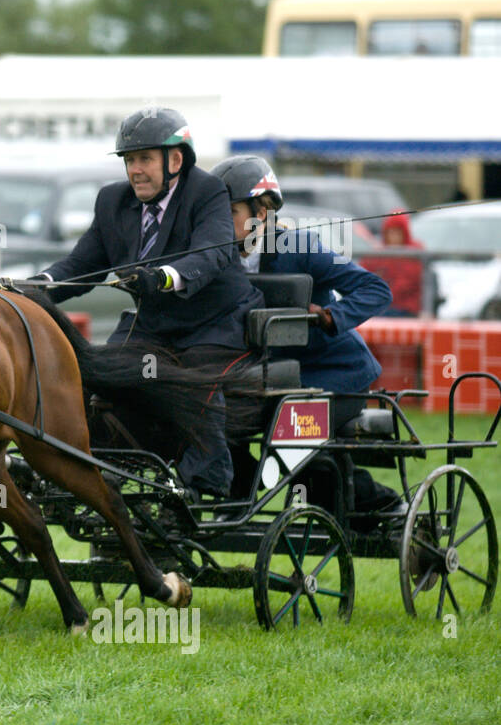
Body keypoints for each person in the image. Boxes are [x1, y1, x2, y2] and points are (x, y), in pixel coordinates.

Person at [31, 107, 264, 498]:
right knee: (94, 373)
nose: (135, 170)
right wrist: (39, 287)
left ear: (175, 159)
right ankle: (99, 465)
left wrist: (164, 277)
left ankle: (208, 478)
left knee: (190, 378)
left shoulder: (207, 193)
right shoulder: (111, 201)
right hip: (153, 328)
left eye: (144, 159)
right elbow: (82, 264)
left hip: (216, 325)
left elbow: (211, 254)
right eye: (129, 160)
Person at [210, 154, 402, 515]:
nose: (218, 224)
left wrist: (331, 316)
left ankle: (387, 507)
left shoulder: (301, 247)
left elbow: (376, 290)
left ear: (261, 213)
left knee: (303, 458)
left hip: (334, 377)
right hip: (271, 381)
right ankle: (239, 497)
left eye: (229, 213)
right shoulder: (218, 260)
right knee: (214, 418)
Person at [360, 212, 424, 317]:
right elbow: (362, 275)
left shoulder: (414, 254)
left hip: (404, 309)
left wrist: (381, 290)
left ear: (405, 233)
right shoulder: (379, 254)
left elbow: (404, 286)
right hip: (380, 305)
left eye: (397, 232)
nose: (393, 237)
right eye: (390, 232)